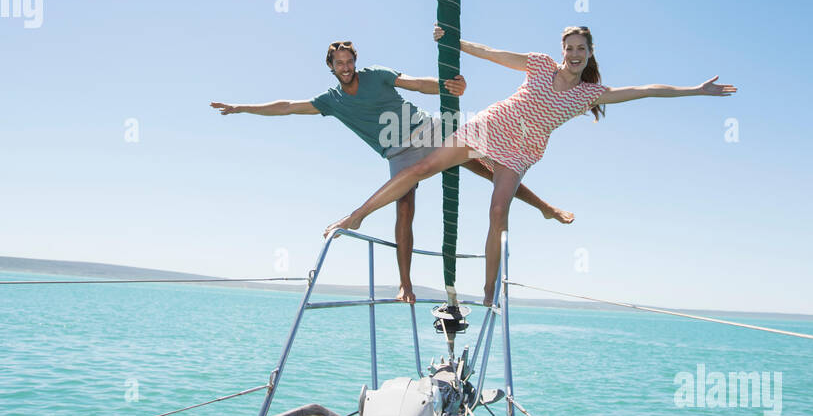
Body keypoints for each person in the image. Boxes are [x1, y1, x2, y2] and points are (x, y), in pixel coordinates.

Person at [324, 25, 737, 304]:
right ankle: (357, 215)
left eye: (581, 49)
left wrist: (694, 91)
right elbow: (493, 54)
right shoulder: (539, 64)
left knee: (498, 211)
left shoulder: (588, 94)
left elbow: (643, 91)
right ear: (562, 51)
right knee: (419, 169)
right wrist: (454, 42)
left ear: (589, 53)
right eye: (569, 48)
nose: (574, 54)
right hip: (490, 127)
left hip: (521, 150)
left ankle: (489, 292)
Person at [211, 39, 573, 303]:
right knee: (404, 209)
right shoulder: (331, 101)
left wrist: (447, 86)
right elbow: (288, 106)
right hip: (397, 152)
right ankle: (405, 285)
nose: (345, 67)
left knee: (488, 166)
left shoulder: (377, 75)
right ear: (331, 67)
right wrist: (242, 108)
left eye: (349, 61)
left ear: (355, 61)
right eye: (338, 63)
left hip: (426, 128)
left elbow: (416, 84)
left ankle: (544, 207)